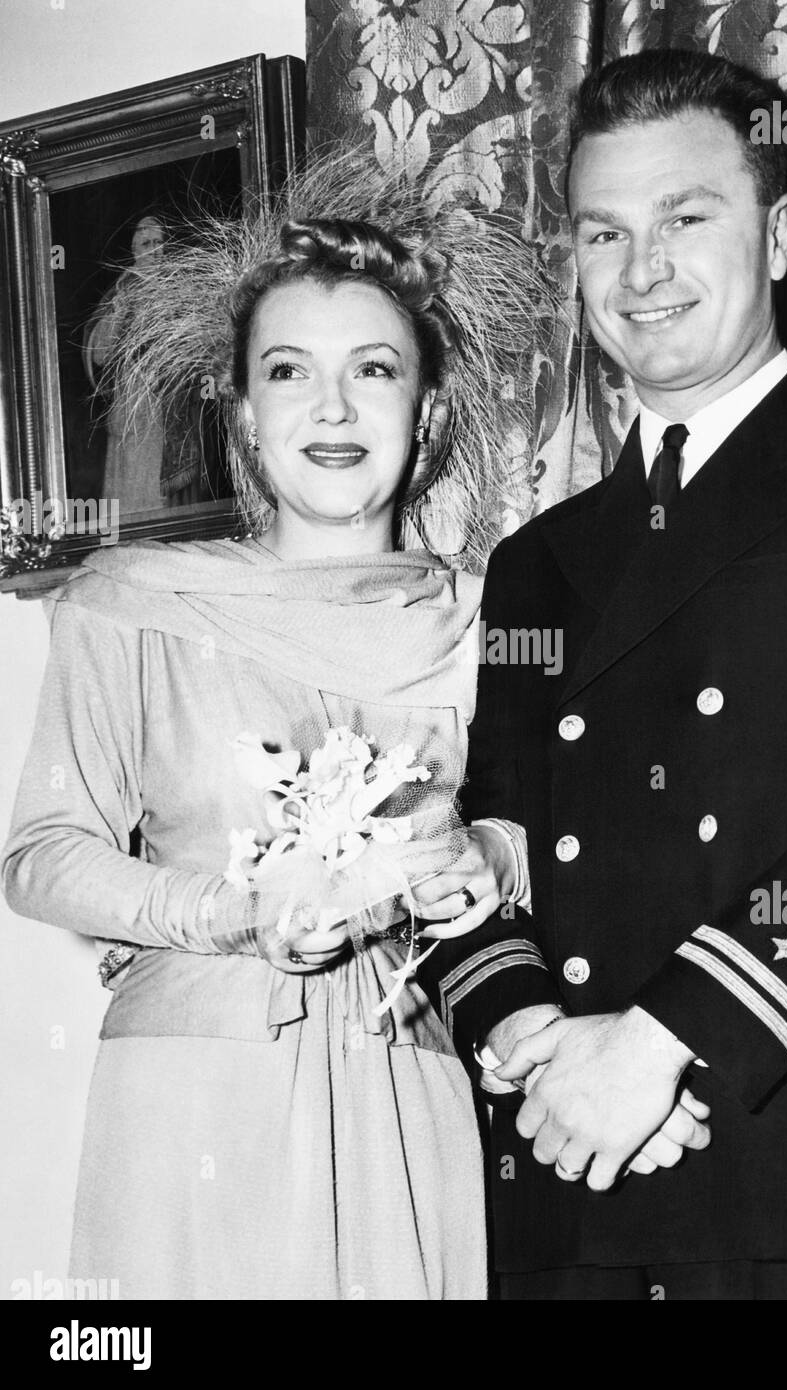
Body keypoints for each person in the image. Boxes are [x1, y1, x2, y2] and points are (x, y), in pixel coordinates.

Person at [411, 47, 787, 1300]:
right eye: (602, 233)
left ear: (782, 231)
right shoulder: (536, 562)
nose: (641, 272)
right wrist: (533, 1044)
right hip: (570, 1186)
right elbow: (481, 841)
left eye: (687, 218)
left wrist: (662, 1044)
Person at [2, 160, 546, 1300]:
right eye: (290, 372)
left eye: (374, 371)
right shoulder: (131, 604)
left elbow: (554, 845)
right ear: (245, 414)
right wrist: (233, 912)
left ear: (428, 408)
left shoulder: (488, 624)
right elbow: (41, 857)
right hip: (191, 1095)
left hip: (407, 1091)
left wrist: (488, 859)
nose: (333, 409)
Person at [83, 213, 202, 514]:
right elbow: (99, 352)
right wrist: (119, 314)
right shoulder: (123, 288)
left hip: (173, 392)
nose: (154, 249)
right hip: (134, 394)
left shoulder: (178, 284)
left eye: (159, 242)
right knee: (134, 466)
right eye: (147, 243)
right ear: (135, 250)